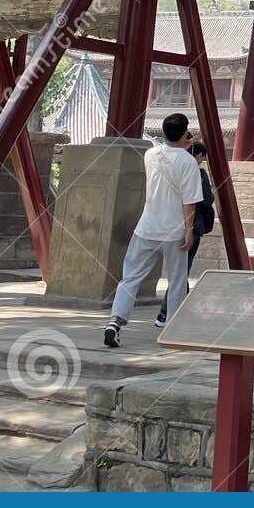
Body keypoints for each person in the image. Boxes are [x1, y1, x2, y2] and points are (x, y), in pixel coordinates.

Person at [104, 113, 202, 349]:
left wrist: (181, 143)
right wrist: (189, 230)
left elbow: (168, 155)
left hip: (147, 227)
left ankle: (115, 321)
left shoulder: (150, 154)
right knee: (177, 280)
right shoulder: (189, 163)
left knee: (130, 277)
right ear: (185, 133)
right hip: (174, 230)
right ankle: (171, 330)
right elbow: (189, 201)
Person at [156, 141, 216, 328]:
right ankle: (165, 313)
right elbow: (206, 199)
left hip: (168, 224)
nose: (202, 160)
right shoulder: (198, 173)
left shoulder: (170, 168)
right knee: (181, 271)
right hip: (191, 227)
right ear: (198, 155)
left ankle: (180, 307)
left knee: (178, 270)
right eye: (202, 157)